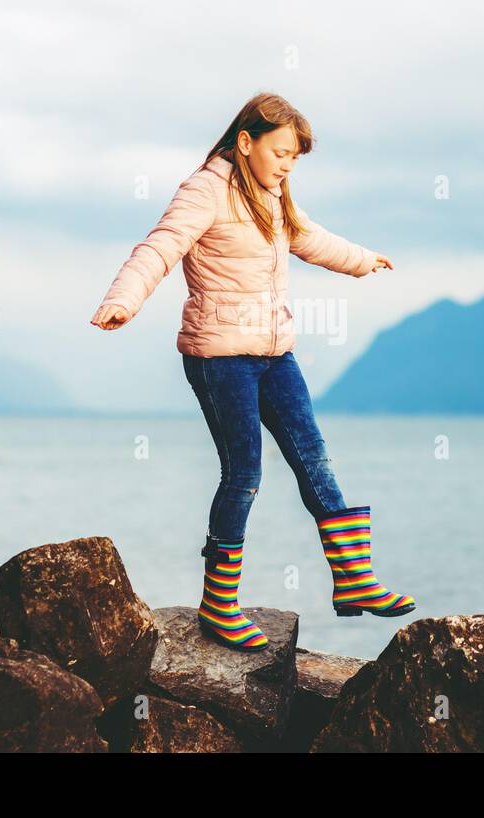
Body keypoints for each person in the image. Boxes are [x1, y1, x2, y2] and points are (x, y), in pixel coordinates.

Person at [90, 92, 416, 652]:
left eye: (296, 158)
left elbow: (308, 237)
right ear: (246, 142)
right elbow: (162, 245)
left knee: (312, 454)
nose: (288, 165)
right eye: (282, 152)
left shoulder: (274, 194)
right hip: (218, 357)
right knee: (244, 474)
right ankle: (219, 605)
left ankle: (355, 579)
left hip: (274, 351)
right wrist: (124, 299)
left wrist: (362, 259)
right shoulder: (205, 190)